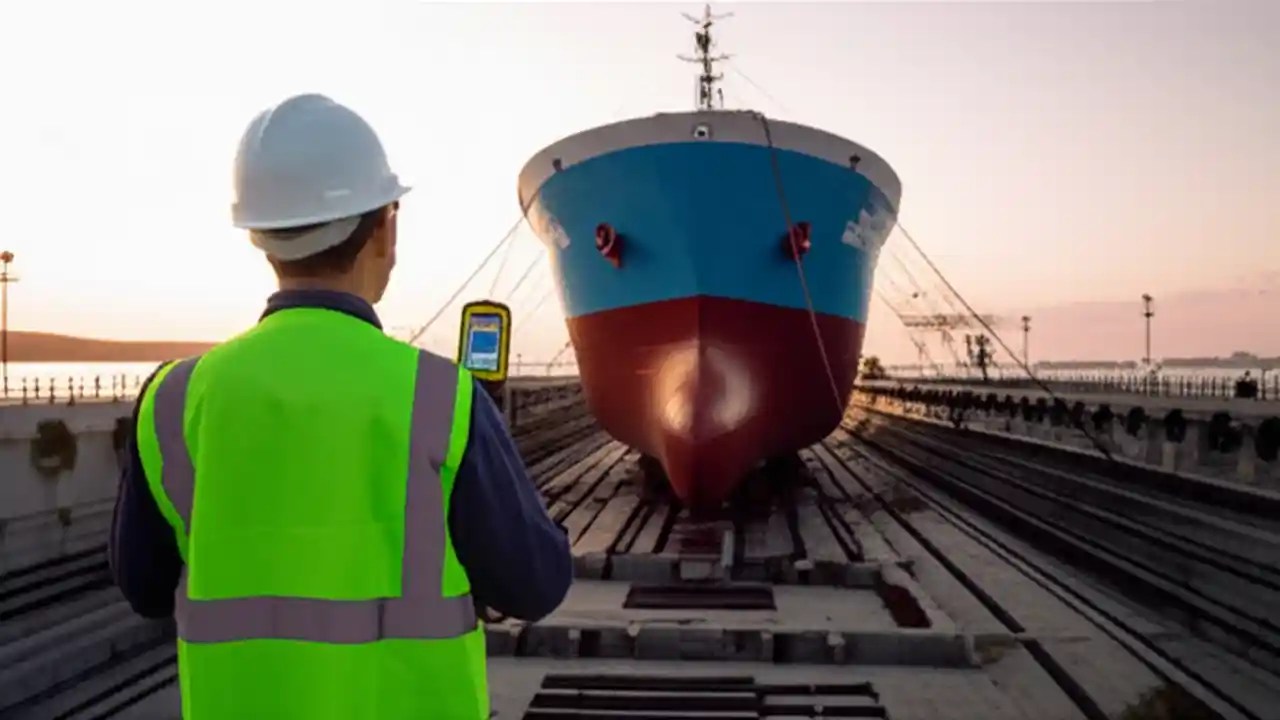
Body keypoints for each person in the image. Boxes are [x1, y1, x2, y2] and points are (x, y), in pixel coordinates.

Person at [108, 93, 572, 719]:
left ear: (261, 237)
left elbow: (143, 587)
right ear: (387, 225)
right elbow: (535, 585)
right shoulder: (442, 397)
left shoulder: (173, 400)